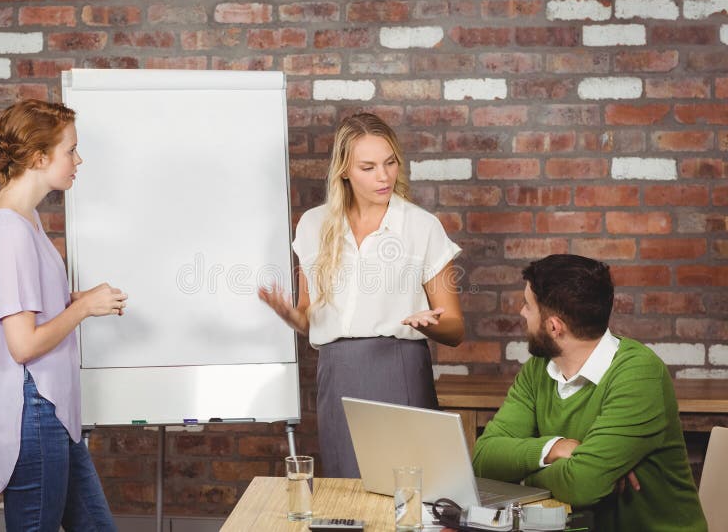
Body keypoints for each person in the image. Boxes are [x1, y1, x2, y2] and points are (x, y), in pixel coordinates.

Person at [259, 113, 464, 477]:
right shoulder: (313, 225)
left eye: (390, 163)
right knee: (347, 492)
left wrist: (429, 325)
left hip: (399, 368)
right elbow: (309, 318)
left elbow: (454, 328)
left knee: (406, 490)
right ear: (344, 171)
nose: (384, 177)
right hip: (336, 374)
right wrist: (290, 315)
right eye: (368, 167)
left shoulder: (421, 226)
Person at [472, 254, 707, 531]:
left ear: (554, 326)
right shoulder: (539, 368)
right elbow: (483, 457)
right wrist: (556, 448)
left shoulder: (638, 373)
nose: (522, 312)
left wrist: (521, 477)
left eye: (528, 305)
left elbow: (583, 484)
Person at [0, 99, 128, 531]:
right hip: (36, 414)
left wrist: (77, 298)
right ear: (40, 157)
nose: (78, 159)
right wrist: (82, 308)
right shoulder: (9, 230)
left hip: (54, 413)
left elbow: (30, 305)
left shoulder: (27, 221)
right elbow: (22, 345)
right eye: (71, 150)